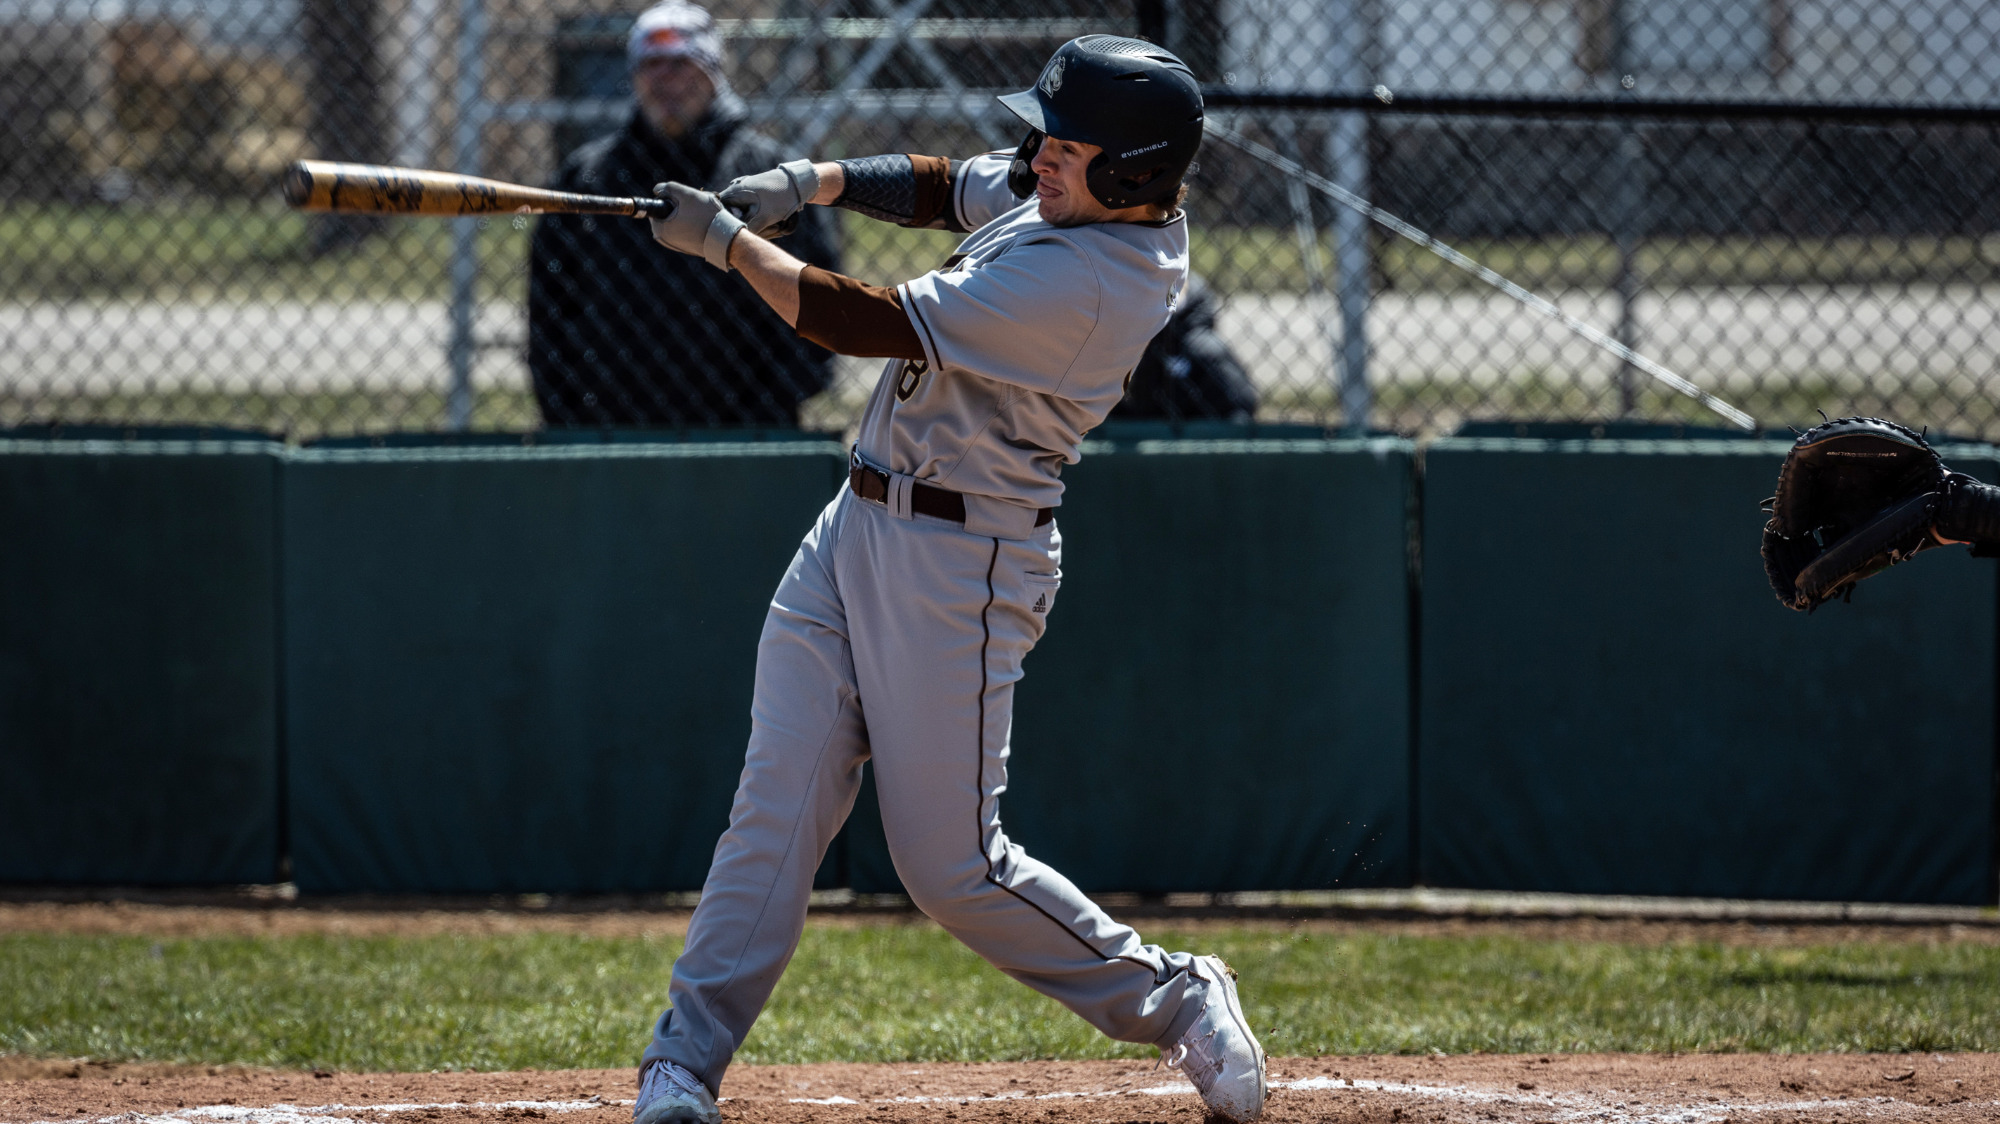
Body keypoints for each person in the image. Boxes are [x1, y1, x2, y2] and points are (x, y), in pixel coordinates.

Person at [624, 34, 1268, 1124]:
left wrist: (729, 245)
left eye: (1065, 146)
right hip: (853, 526)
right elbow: (941, 185)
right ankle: (682, 1063)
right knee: (774, 810)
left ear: (1132, 172)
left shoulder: (1094, 280)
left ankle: (1174, 994)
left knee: (951, 868)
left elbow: (863, 320)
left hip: (960, 565)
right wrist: (806, 181)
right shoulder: (1072, 197)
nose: (1037, 157)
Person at [526, 1, 839, 428]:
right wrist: (569, 417)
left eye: (680, 63)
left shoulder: (770, 179)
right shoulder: (589, 179)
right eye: (650, 64)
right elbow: (549, 313)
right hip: (610, 430)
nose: (664, 79)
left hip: (750, 432)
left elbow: (820, 301)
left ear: (713, 73)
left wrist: (771, 406)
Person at [1110, 272, 1258, 422]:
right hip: (1148, 423)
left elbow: (1241, 406)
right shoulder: (1134, 344)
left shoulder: (1203, 347)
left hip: (1200, 428)